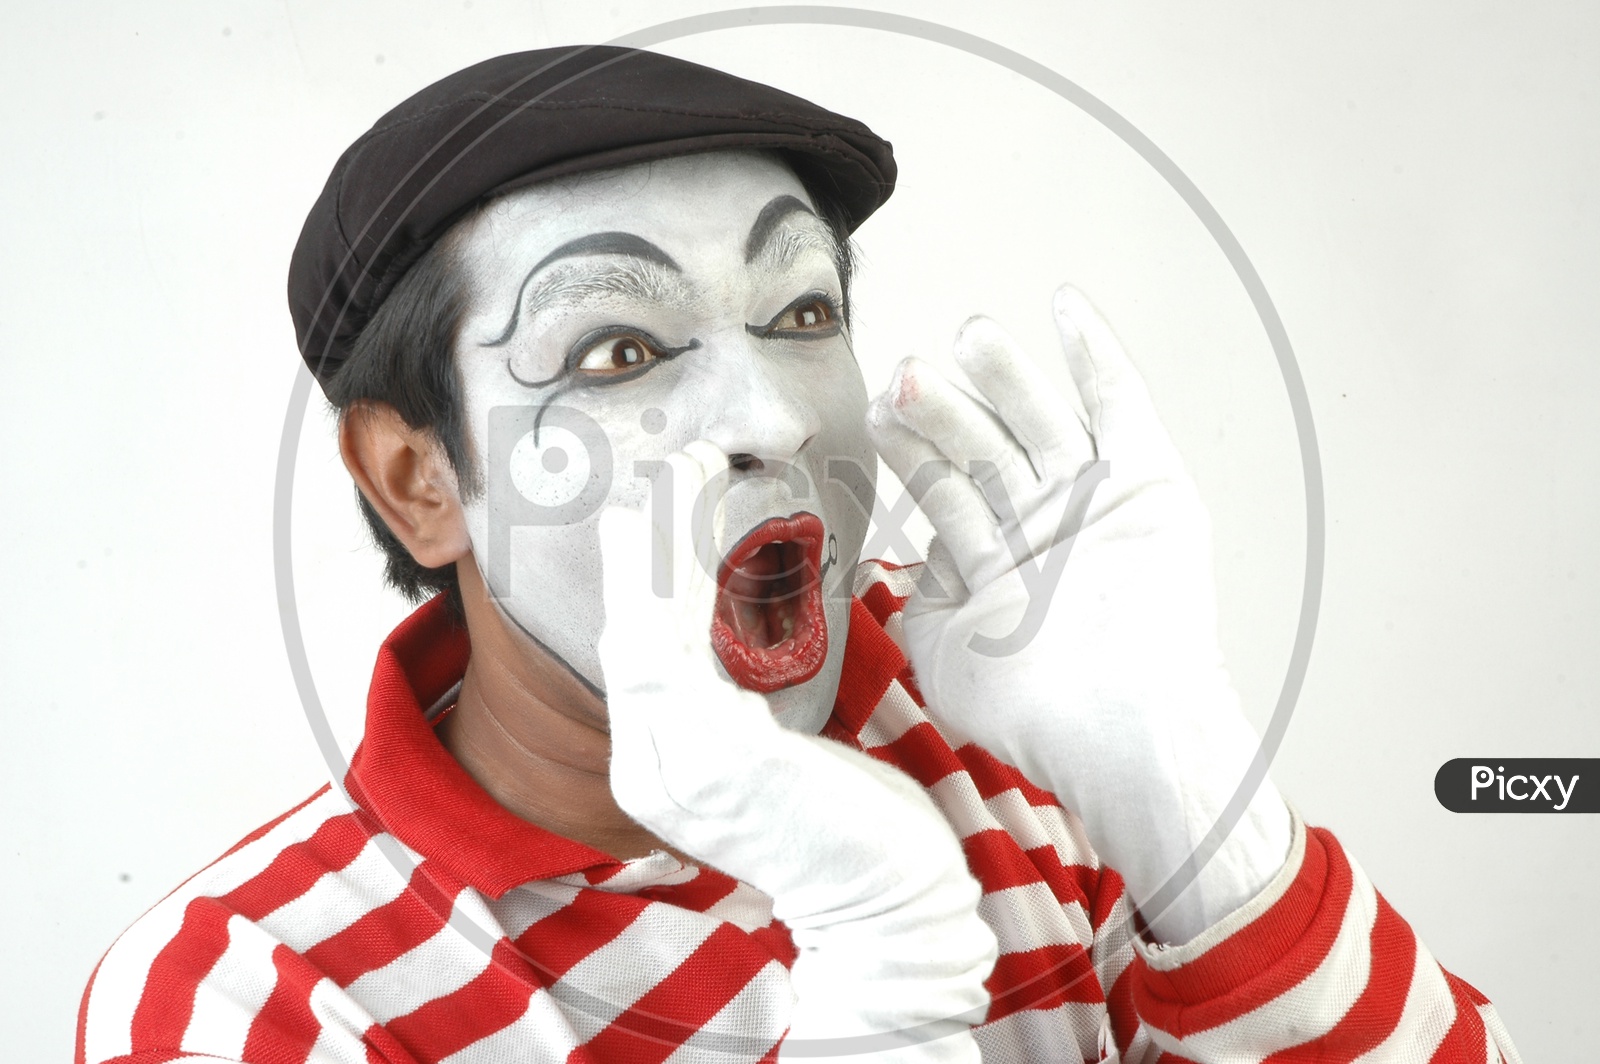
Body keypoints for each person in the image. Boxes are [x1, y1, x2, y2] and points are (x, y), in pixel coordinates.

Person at [76, 46, 1520, 1063]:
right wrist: (888, 963)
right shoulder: (257, 998)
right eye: (623, 346)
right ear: (419, 481)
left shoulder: (1016, 750)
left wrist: (1190, 810)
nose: (770, 414)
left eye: (801, 314)